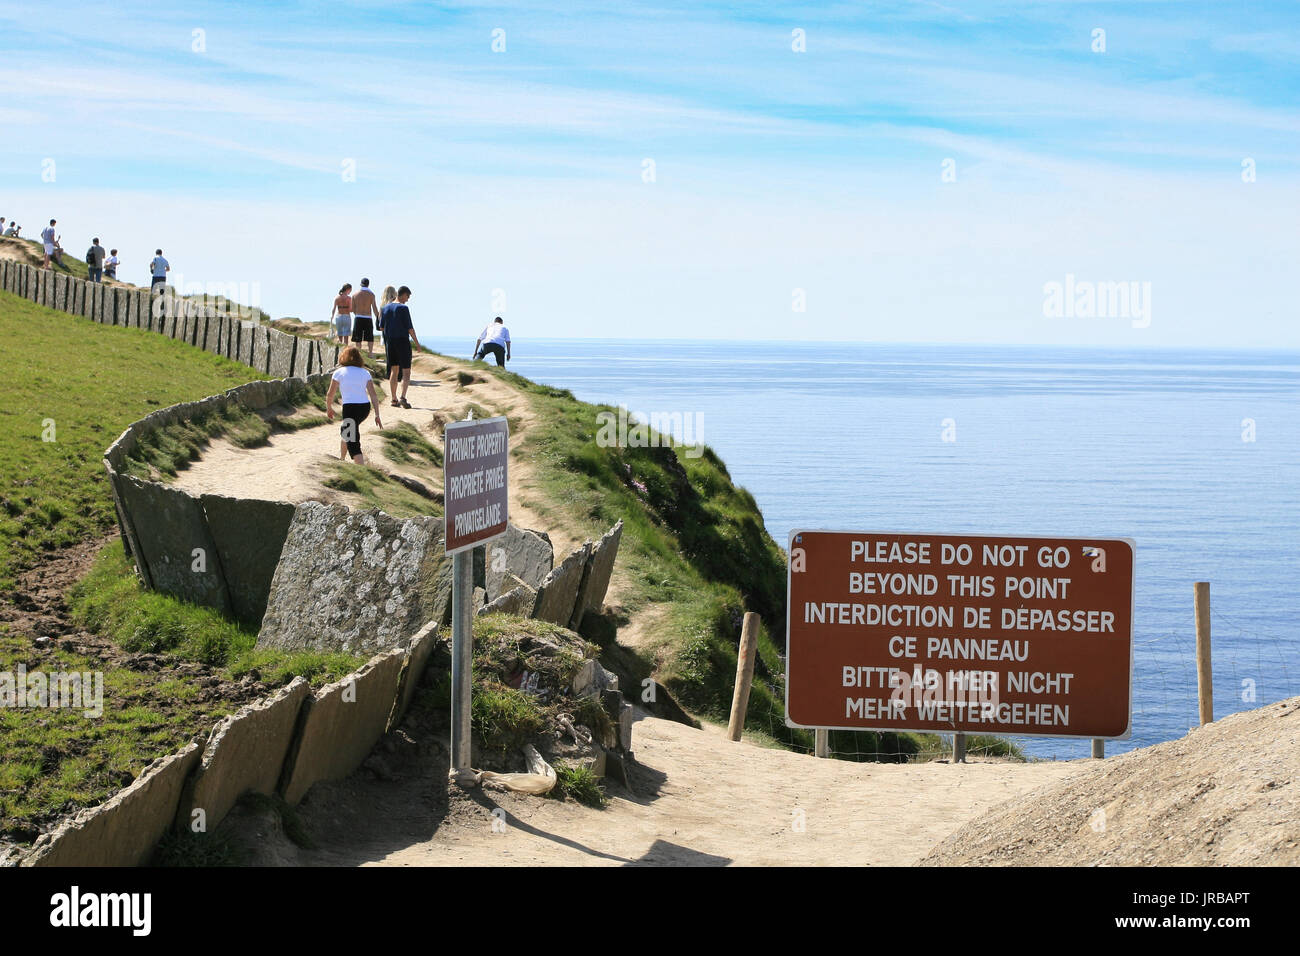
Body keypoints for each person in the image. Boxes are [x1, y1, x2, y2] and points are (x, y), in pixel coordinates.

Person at [325, 345, 384, 464]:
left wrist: (329, 408)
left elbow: (330, 394)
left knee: (353, 441)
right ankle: (342, 459)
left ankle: (361, 470)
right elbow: (373, 395)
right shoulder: (365, 373)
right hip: (364, 408)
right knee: (347, 431)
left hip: (350, 408)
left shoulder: (338, 372)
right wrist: (377, 414)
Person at [383, 286, 421, 408]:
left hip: (390, 342)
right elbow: (410, 328)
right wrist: (417, 343)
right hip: (402, 341)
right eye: (407, 296)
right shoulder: (403, 308)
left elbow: (381, 327)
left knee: (394, 370)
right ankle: (403, 397)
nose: (408, 299)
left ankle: (394, 399)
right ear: (403, 294)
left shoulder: (385, 308)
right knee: (406, 371)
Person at [351, 278, 380, 358]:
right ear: (368, 284)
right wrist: (378, 317)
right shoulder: (371, 294)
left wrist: (357, 313)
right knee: (370, 337)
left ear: (361, 284)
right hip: (368, 317)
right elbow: (374, 308)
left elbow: (352, 309)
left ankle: (359, 353)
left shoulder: (355, 294)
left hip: (358, 317)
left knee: (358, 337)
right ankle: (370, 353)